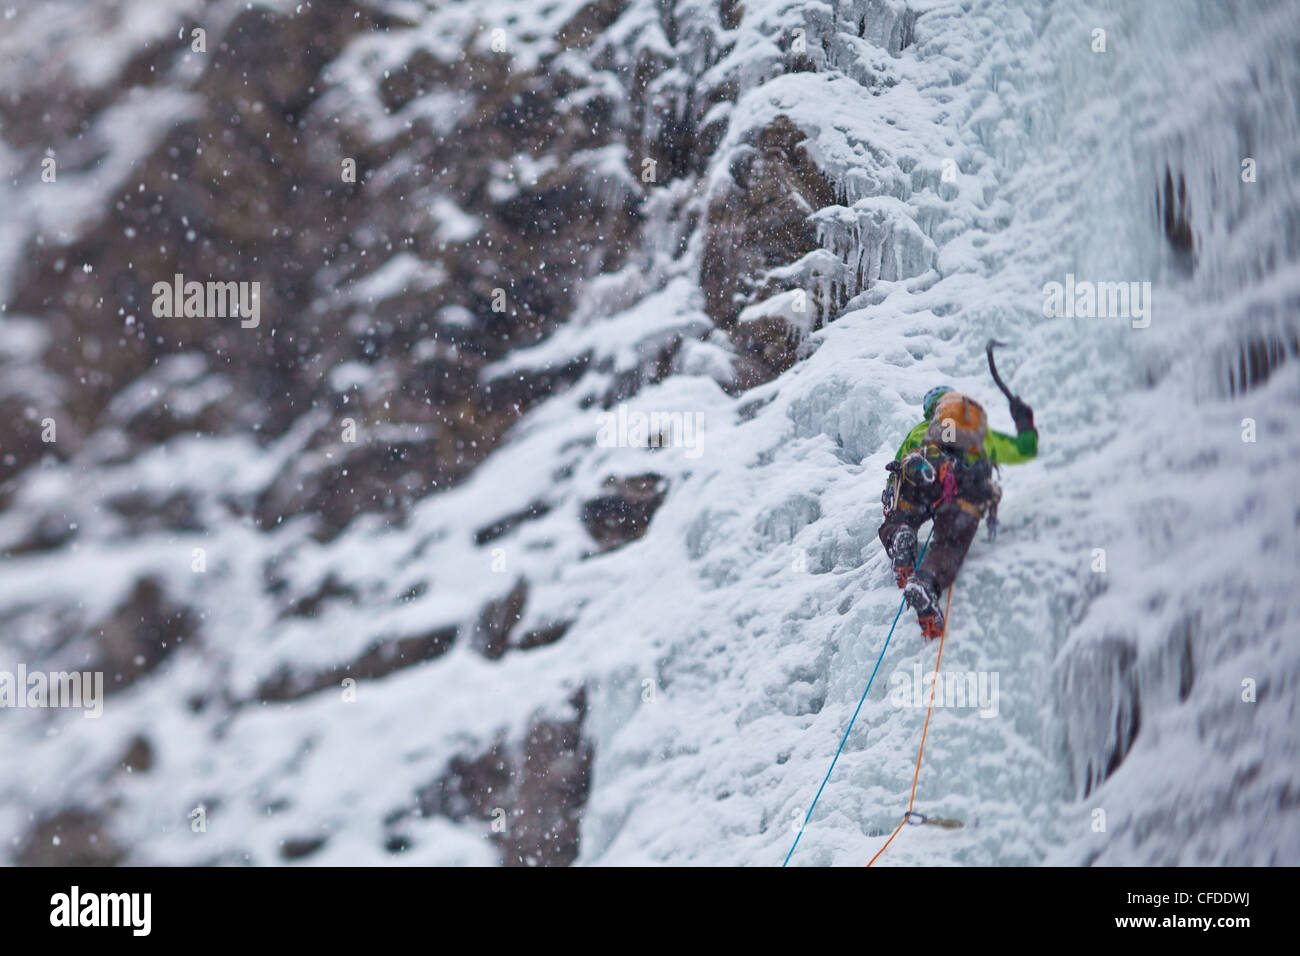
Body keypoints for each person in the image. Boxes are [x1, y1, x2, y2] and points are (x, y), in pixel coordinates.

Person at [878, 384, 1037, 638]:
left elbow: (897, 472)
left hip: (921, 474)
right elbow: (1025, 448)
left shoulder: (921, 431)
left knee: (901, 515)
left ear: (931, 410)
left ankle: (901, 534)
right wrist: (1023, 420)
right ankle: (926, 582)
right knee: (949, 545)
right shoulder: (977, 435)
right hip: (960, 490)